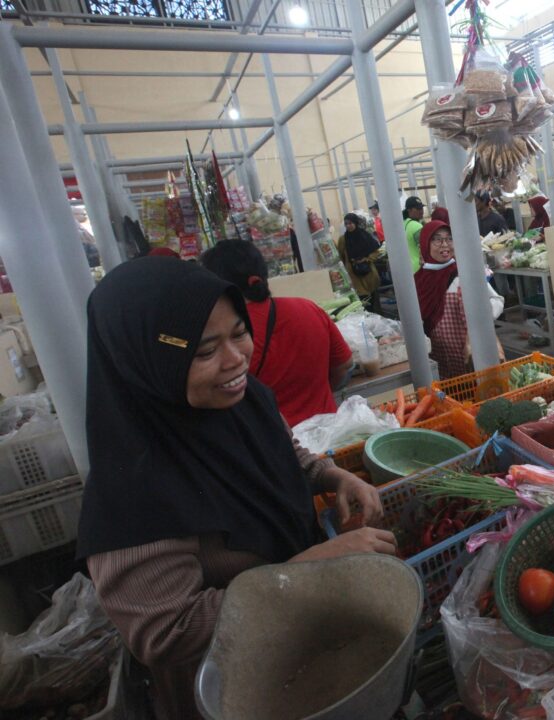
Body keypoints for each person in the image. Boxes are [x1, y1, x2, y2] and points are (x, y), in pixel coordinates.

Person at [77, 258, 396, 720]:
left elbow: (288, 457)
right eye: (205, 351)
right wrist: (303, 572)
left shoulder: (246, 401)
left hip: (309, 642)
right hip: (242, 689)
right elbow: (167, 632)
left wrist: (332, 475)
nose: (236, 359)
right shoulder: (132, 489)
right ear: (147, 360)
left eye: (239, 333)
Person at [201, 240, 354, 427]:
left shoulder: (224, 334)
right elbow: (344, 364)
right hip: (330, 429)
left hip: (275, 442)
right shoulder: (308, 308)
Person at [414, 220, 504, 378]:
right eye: (437, 239)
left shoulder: (464, 274)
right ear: (425, 243)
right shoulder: (418, 280)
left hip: (470, 356)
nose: (445, 245)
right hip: (436, 358)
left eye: (449, 238)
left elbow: (497, 300)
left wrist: (480, 315)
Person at [336, 213, 383, 314]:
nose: (348, 226)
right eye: (346, 224)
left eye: (351, 223)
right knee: (362, 300)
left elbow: (376, 251)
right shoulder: (343, 239)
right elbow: (340, 256)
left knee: (372, 298)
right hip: (354, 274)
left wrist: (366, 259)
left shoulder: (364, 235)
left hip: (368, 273)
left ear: (356, 223)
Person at [402, 196, 426, 273]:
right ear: (409, 210)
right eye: (418, 209)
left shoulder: (404, 223)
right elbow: (425, 249)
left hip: (408, 268)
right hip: (419, 267)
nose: (421, 211)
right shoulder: (416, 226)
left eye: (421, 208)